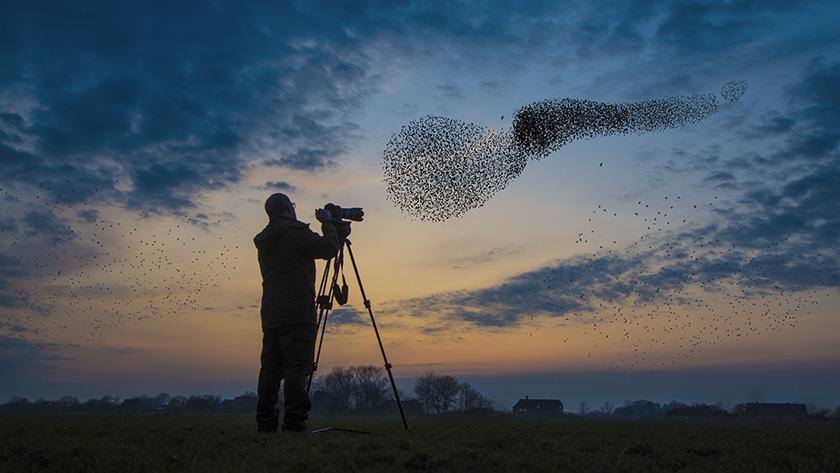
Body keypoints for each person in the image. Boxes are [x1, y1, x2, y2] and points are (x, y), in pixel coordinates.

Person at [254, 193, 341, 433]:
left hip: (271, 313)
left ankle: (266, 423)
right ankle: (294, 423)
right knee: (296, 367)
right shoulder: (295, 232)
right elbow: (329, 248)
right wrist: (329, 223)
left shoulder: (265, 239)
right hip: (297, 312)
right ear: (288, 210)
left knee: (270, 369)